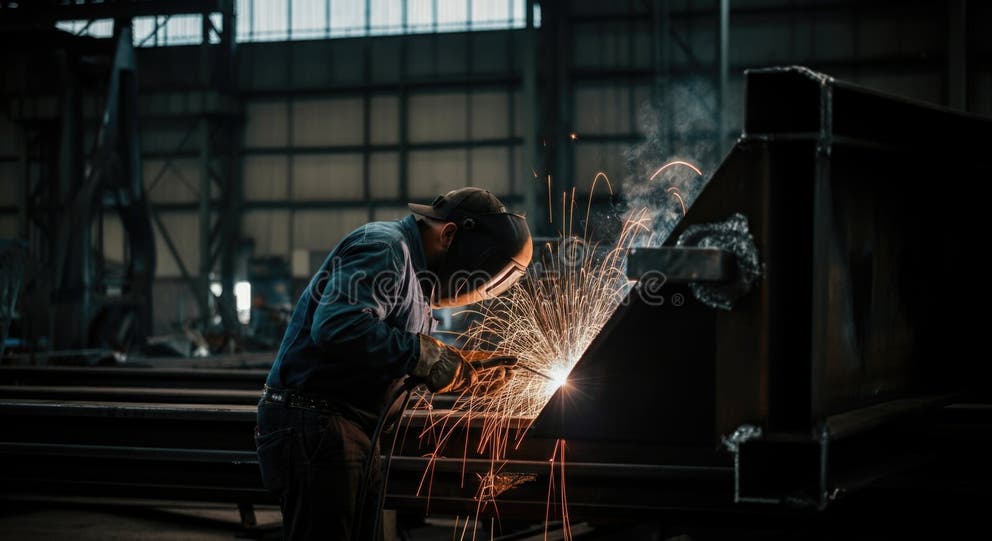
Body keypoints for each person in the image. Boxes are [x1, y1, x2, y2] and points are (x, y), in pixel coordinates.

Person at [255, 187, 533, 540]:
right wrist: (426, 356)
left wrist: (467, 370)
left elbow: (395, 349)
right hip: (317, 426)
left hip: (349, 431)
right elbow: (338, 325)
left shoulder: (417, 277)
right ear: (449, 234)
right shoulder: (385, 247)